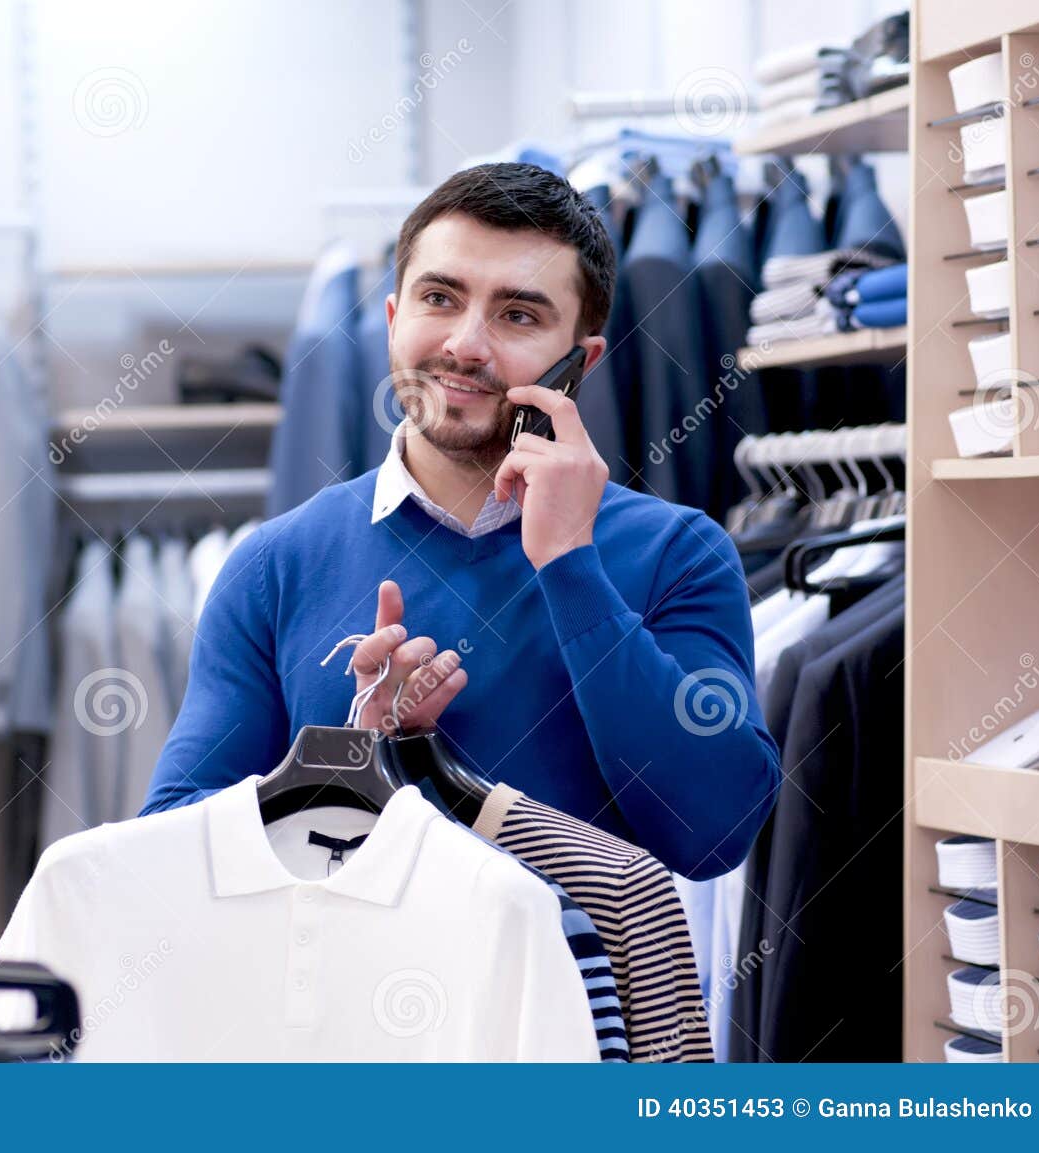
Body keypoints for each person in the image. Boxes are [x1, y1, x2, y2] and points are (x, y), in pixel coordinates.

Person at [141, 162, 778, 880]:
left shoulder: (679, 554)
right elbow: (167, 843)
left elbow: (716, 832)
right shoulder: (275, 565)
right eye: (439, 298)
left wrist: (572, 565)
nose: (466, 344)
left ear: (583, 361)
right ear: (394, 321)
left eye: (518, 315)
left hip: (577, 960)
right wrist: (356, 762)